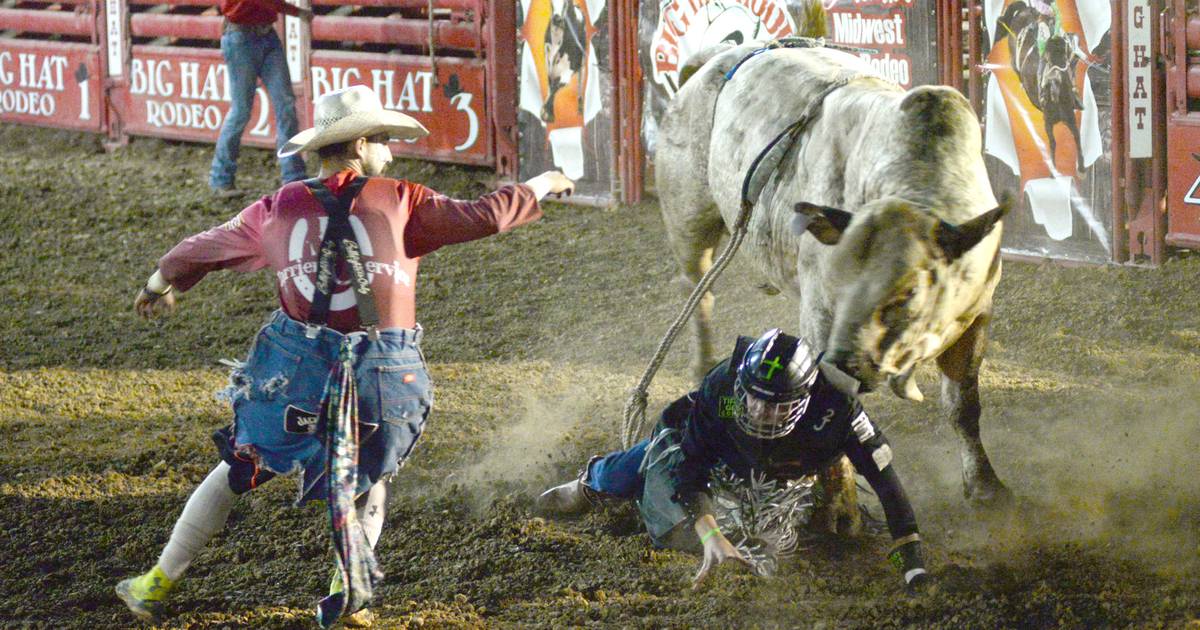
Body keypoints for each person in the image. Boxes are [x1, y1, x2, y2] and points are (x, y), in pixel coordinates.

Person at [116, 84, 576, 627]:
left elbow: (196, 250)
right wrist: (543, 182)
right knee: (371, 474)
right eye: (383, 140)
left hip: (297, 373)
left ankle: (157, 581)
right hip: (384, 371)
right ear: (359, 145)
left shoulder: (276, 208)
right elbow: (486, 215)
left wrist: (159, 284)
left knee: (239, 464)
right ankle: (345, 588)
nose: (390, 153)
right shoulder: (402, 199)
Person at [538, 328, 931, 591]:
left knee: (781, 539)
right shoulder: (724, 393)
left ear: (805, 401)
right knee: (651, 486)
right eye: (753, 397)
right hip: (708, 446)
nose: (758, 411)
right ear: (741, 385)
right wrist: (712, 537)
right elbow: (691, 465)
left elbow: (886, 482)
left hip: (776, 475)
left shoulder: (837, 411)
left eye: (774, 405)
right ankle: (593, 479)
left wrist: (912, 567)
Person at [209, 0, 312, 197]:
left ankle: (293, 177)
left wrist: (295, 11)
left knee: (280, 105)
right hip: (245, 35)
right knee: (245, 110)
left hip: (252, 35)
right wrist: (296, 11)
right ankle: (221, 178)